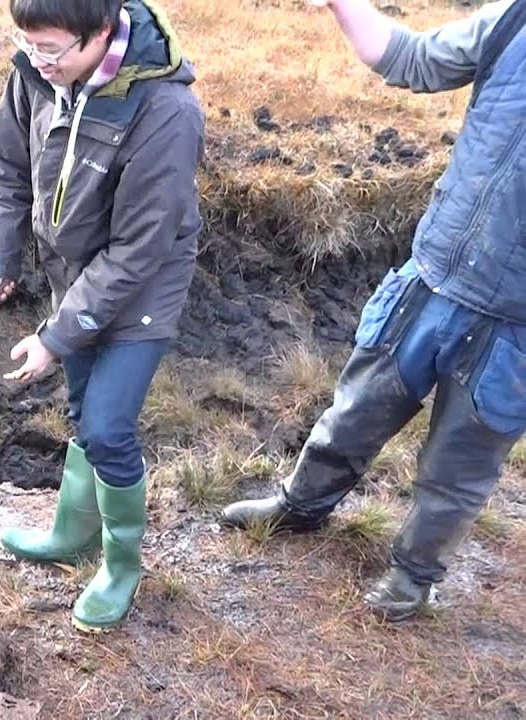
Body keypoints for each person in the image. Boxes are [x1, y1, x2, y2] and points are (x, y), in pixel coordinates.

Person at [220, 0, 526, 622]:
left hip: (513, 324)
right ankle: (301, 507)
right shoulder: (513, 20)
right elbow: (409, 58)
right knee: (355, 411)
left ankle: (414, 577)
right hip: (431, 279)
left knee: (459, 468)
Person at [0, 0, 204, 633]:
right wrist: (0, 257)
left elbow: (139, 249)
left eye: (53, 50)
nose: (38, 61)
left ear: (101, 33)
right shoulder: (34, 72)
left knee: (106, 427)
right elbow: (10, 170)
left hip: (144, 285)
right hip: (71, 275)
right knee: (80, 410)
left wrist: (54, 335)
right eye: (29, 44)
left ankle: (122, 565)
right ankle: (72, 536)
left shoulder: (166, 113)